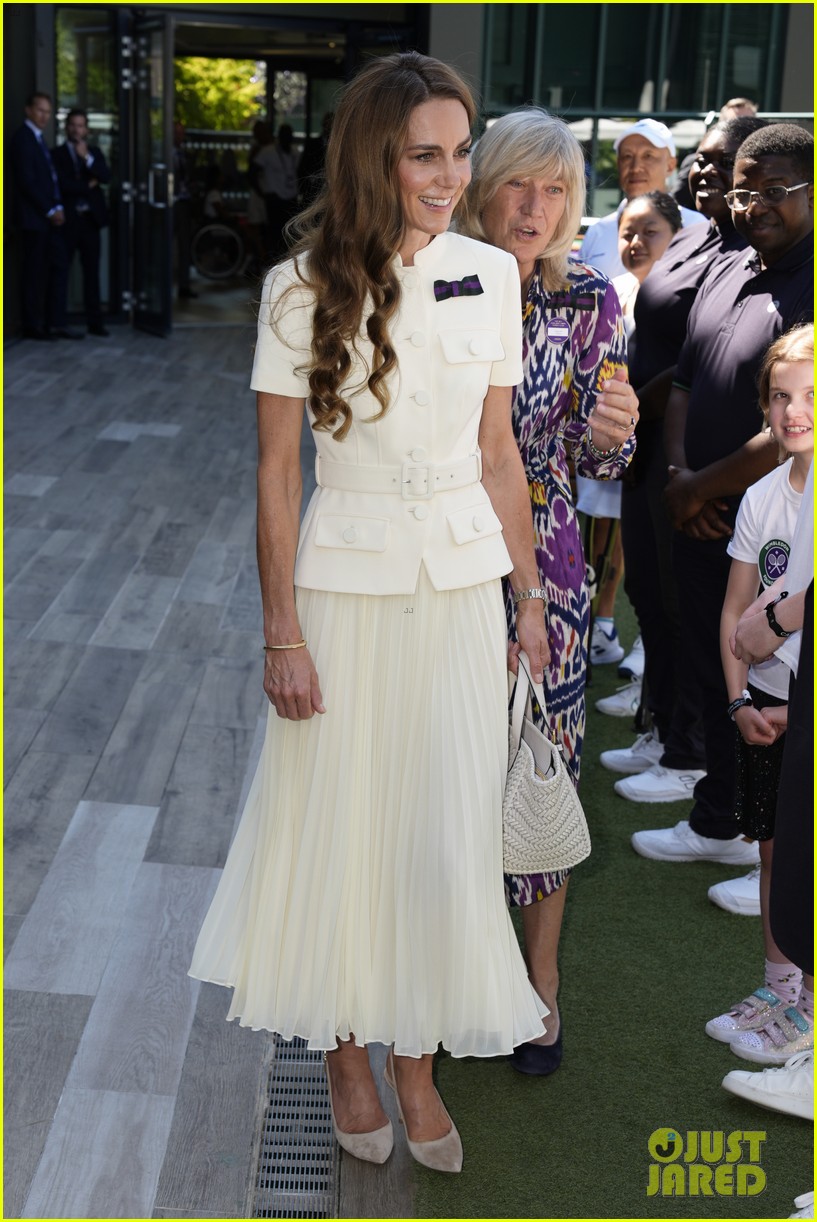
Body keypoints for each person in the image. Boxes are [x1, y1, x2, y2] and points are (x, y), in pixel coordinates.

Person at [189, 52, 552, 1175]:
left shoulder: (492, 273)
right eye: (423, 155)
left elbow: (499, 455)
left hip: (456, 589)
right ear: (374, 159)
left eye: (459, 151)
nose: (450, 176)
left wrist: (529, 599)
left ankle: (415, 1063)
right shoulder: (298, 287)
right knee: (342, 829)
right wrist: (281, 633)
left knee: (441, 832)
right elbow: (276, 477)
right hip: (340, 594)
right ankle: (348, 1055)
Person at [459, 107, 639, 1076]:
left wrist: (615, 428)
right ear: (482, 186)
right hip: (446, 562)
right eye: (517, 184)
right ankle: (458, 972)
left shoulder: (593, 302)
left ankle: (541, 986)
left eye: (556, 188)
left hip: (553, 568)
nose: (534, 207)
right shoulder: (438, 286)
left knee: (545, 765)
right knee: (453, 774)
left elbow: (596, 450)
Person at [631, 123, 813, 865]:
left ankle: (765, 843)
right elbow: (685, 379)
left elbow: (795, 423)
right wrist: (678, 478)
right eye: (743, 190)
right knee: (718, 669)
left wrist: (698, 485)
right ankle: (718, 820)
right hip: (700, 511)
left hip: (772, 518)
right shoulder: (732, 260)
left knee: (778, 685)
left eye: (774, 191)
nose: (752, 205)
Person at [599, 118, 766, 786]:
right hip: (658, 459)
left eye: (721, 162)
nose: (703, 171)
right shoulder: (701, 240)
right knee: (651, 593)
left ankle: (688, 752)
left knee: (685, 610)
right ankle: (664, 726)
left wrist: (684, 468)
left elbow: (706, 365)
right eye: (698, 159)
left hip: (700, 468)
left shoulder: (749, 253)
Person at [708, 325, 813, 1063]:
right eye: (779, 396)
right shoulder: (761, 496)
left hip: (801, 708)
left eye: (809, 395)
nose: (792, 411)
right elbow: (730, 610)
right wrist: (741, 703)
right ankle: (781, 991)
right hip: (768, 708)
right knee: (774, 853)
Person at [579, 117, 706, 281]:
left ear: (670, 165)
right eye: (627, 156)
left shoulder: (696, 227)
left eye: (648, 155)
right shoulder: (598, 231)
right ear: (618, 164)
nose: (636, 166)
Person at [9, 91, 80, 340]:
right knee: (34, 272)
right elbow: (28, 182)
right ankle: (33, 325)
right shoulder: (23, 139)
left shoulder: (37, 139)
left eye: (48, 112)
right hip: (34, 219)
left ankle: (55, 321)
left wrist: (56, 206)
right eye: (40, 110)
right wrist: (50, 210)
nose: (44, 116)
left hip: (47, 219)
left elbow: (48, 180)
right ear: (28, 110)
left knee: (56, 265)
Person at [52, 108, 111, 337]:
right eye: (73, 125)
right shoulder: (56, 155)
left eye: (81, 126)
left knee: (92, 273)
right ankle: (58, 321)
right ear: (67, 127)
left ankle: (95, 322)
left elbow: (105, 177)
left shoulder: (94, 152)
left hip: (90, 222)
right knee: (61, 271)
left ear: (86, 129)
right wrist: (87, 186)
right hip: (68, 222)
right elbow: (61, 185)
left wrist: (86, 157)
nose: (77, 129)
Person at [255, 121, 299, 260]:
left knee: (290, 233)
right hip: (274, 198)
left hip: (291, 197)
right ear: (279, 137)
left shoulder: (295, 152)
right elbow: (251, 172)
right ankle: (272, 261)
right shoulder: (268, 151)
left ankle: (287, 261)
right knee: (274, 233)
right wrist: (262, 192)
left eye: (289, 136)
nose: (288, 139)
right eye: (285, 136)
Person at [172, 121, 196, 298]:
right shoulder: (164, 154)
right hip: (169, 203)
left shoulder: (185, 154)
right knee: (165, 245)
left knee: (184, 245)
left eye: (182, 133)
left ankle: (184, 286)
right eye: (177, 133)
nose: (180, 136)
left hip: (185, 202)